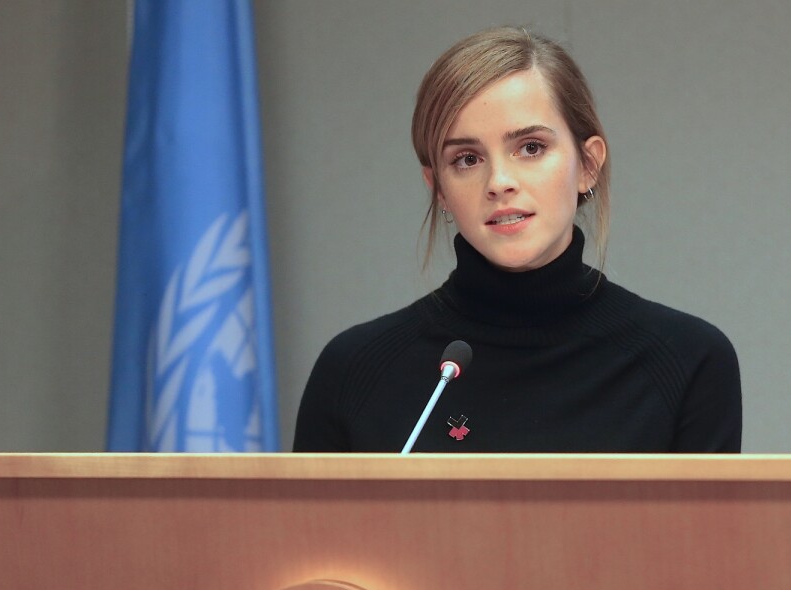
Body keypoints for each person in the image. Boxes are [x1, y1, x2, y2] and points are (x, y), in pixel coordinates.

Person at [293, 26, 742, 453]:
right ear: (438, 188)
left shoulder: (688, 361)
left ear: (587, 165)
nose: (499, 182)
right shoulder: (353, 370)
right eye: (467, 159)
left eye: (531, 148)